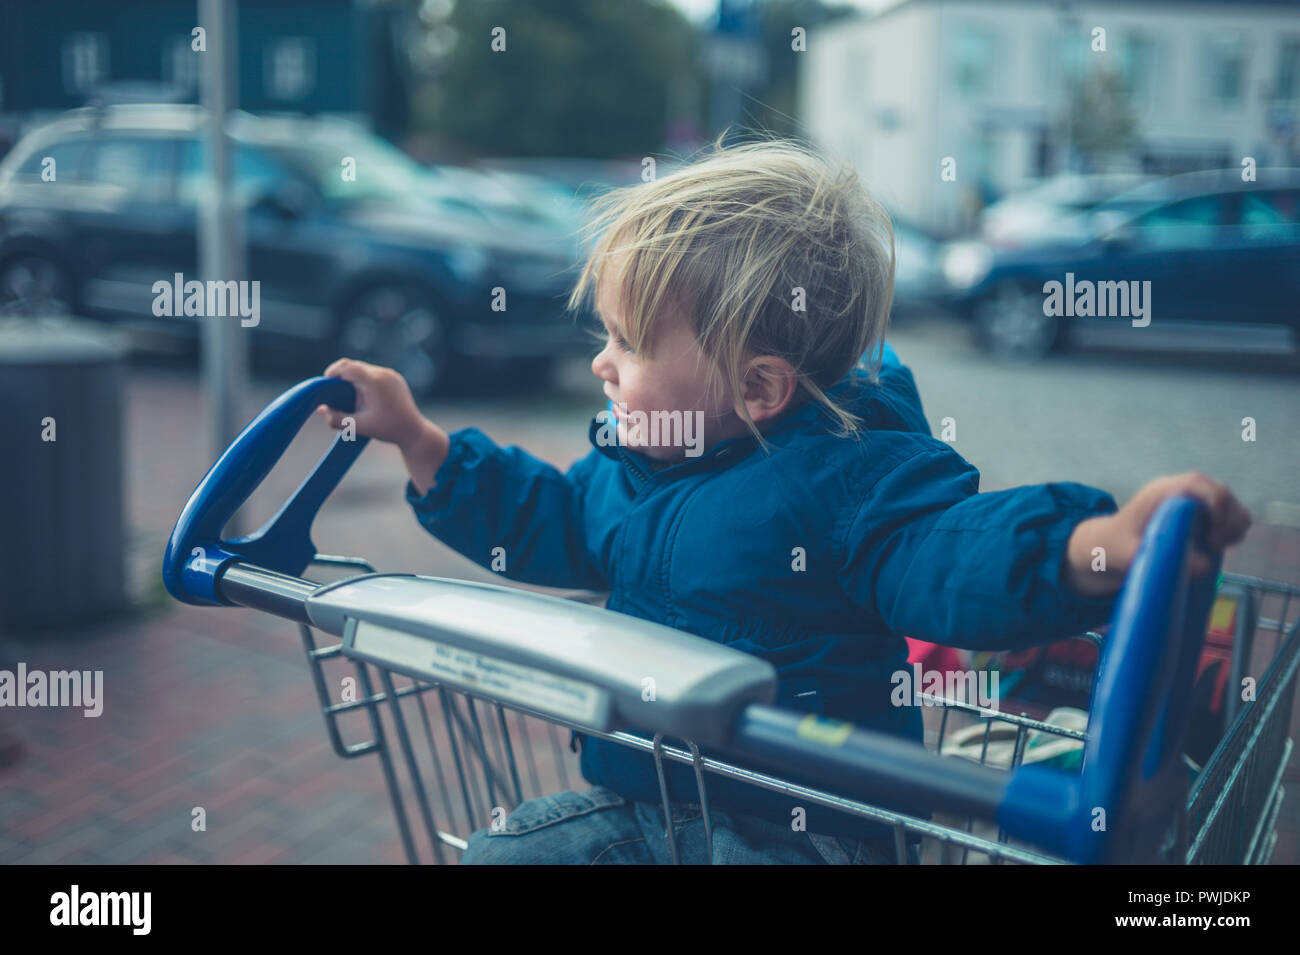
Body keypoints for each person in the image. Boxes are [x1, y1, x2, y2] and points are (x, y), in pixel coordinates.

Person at [315, 139, 1251, 864]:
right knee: (504, 854)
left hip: (804, 830)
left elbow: (950, 549)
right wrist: (420, 441)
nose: (601, 363)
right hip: (648, 802)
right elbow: (547, 517)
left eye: (628, 343)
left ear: (759, 387)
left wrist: (1093, 543)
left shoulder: (852, 481)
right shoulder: (633, 465)